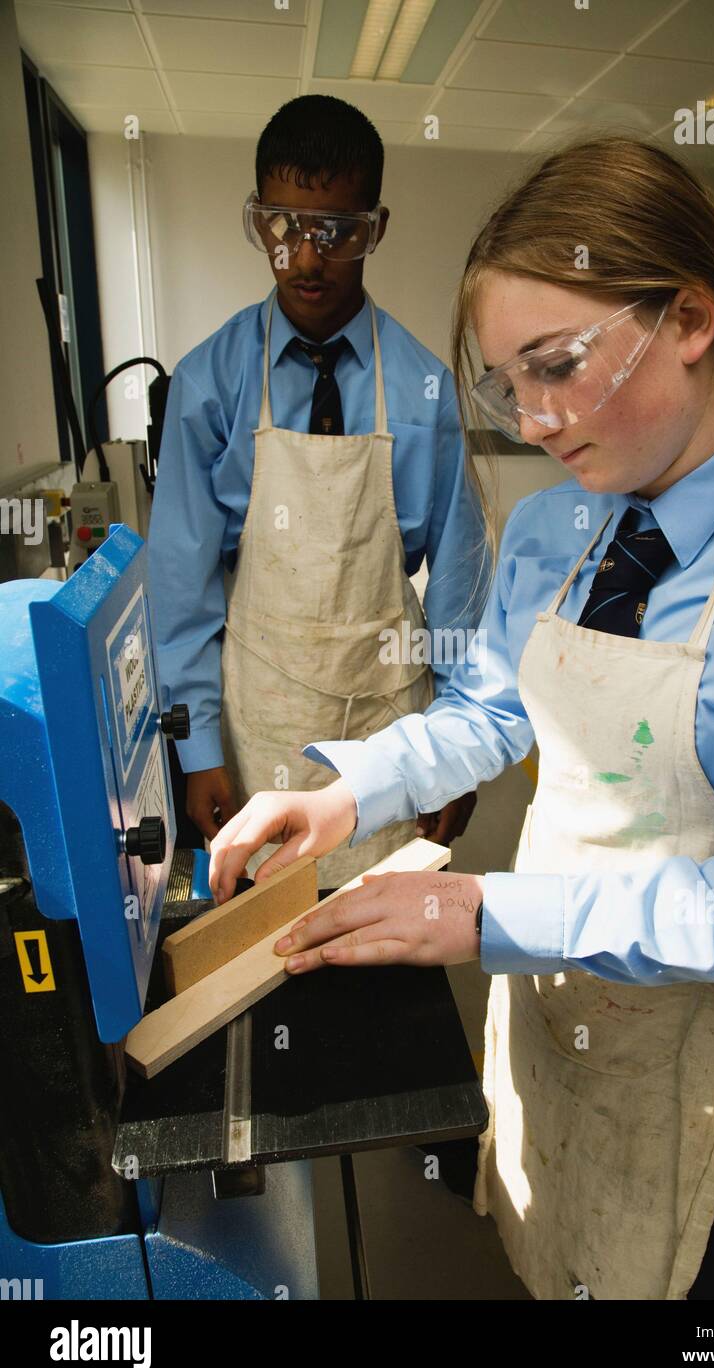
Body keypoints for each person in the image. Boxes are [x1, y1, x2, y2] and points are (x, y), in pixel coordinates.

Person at [207, 137, 714, 1301]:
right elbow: (491, 708)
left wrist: (481, 911)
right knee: (548, 1255)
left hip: (711, 1064)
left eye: (557, 365)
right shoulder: (564, 527)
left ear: (694, 319)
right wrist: (349, 791)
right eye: (506, 383)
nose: (535, 418)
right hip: (549, 993)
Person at [149, 95, 481, 886]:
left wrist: (458, 750)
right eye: (282, 228)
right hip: (254, 722)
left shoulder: (424, 390)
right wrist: (195, 752)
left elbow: (462, 593)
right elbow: (181, 587)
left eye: (334, 233)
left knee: (383, 962)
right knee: (258, 954)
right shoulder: (210, 383)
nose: (304, 259)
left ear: (373, 227)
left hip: (387, 725)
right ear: (259, 220)